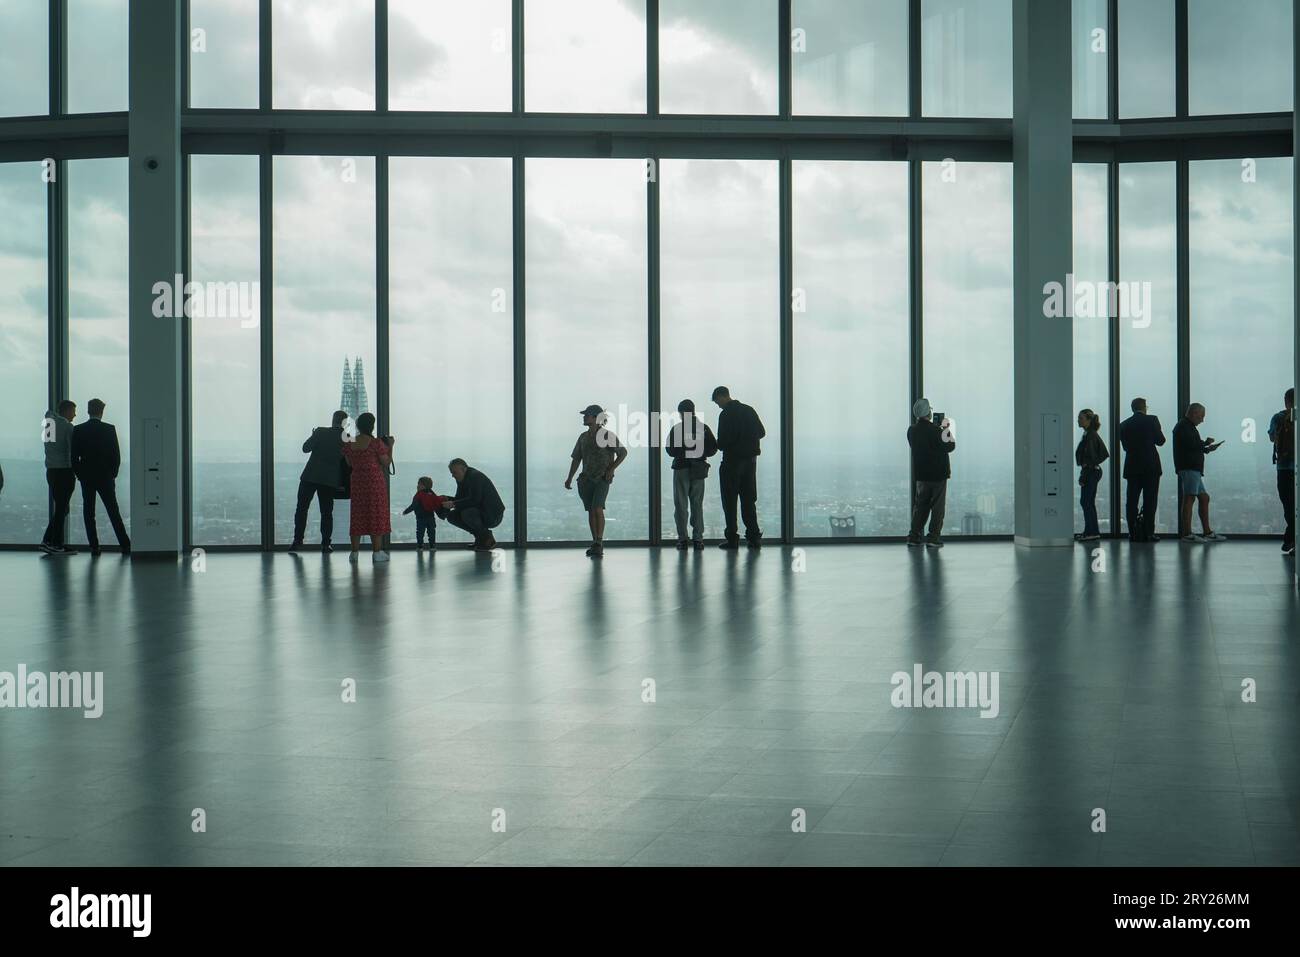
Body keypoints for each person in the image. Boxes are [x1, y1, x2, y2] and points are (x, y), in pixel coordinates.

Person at [565, 404, 628, 559]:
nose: (584, 417)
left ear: (596, 418)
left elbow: (622, 452)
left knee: (597, 508)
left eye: (587, 415)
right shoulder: (583, 437)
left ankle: (599, 542)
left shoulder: (607, 435)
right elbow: (576, 459)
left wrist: (611, 469)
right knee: (591, 510)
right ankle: (595, 542)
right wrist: (570, 477)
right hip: (586, 479)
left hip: (602, 478)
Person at [72, 398, 130, 557]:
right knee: (113, 511)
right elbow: (116, 456)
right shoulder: (109, 429)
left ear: (88, 410)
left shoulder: (78, 430)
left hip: (87, 477)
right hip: (105, 477)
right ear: (102, 411)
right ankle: (125, 545)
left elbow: (74, 457)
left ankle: (94, 547)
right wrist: (113, 474)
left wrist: (80, 474)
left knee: (89, 512)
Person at [711, 386, 765, 550]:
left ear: (721, 397)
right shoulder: (749, 410)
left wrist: (724, 443)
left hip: (731, 462)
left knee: (730, 501)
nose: (718, 406)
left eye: (717, 402)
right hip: (750, 462)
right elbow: (762, 432)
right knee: (749, 500)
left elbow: (722, 443)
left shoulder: (726, 414)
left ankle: (733, 539)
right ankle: (753, 537)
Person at [290, 410, 347, 555]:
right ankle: (326, 544)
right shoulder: (347, 438)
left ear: (333, 419)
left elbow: (305, 448)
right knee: (326, 512)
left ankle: (297, 541)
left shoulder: (320, 432)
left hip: (310, 476)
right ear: (344, 423)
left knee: (302, 509)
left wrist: (313, 434)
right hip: (329, 480)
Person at [664, 398, 718, 551]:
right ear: (693, 410)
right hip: (699, 469)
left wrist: (683, 453)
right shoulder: (703, 428)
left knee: (680, 505)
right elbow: (713, 448)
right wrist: (699, 453)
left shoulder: (677, 429)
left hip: (681, 468)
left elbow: (670, 450)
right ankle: (698, 539)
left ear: (681, 413)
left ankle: (682, 539)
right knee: (697, 504)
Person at [341, 412, 393, 563]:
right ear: (372, 426)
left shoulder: (349, 444)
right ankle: (377, 552)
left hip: (357, 482)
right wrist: (391, 447)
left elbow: (349, 463)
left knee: (358, 514)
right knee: (375, 514)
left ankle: (354, 553)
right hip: (374, 482)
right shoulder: (376, 443)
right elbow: (386, 462)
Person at [1172, 403, 1225, 543]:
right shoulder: (1184, 426)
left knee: (1204, 498)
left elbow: (1192, 445)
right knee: (1190, 498)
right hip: (1189, 467)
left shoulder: (1186, 426)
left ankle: (1206, 532)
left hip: (1192, 468)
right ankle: (1187, 533)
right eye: (1201, 416)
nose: (1202, 420)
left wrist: (1207, 448)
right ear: (1194, 413)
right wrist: (1206, 443)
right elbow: (1191, 445)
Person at [907, 398, 956, 549]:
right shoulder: (936, 431)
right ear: (929, 412)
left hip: (921, 475)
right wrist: (946, 429)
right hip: (938, 475)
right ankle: (933, 538)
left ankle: (914, 536)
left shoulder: (912, 431)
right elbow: (951, 446)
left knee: (920, 506)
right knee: (937, 508)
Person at [1118, 397, 1166, 543]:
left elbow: (1125, 447)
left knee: (1131, 501)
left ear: (1133, 408)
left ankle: (1132, 533)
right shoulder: (1152, 420)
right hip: (1151, 467)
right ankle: (1148, 533)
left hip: (1132, 467)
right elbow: (1161, 441)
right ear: (1144, 407)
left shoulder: (1123, 425)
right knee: (1150, 500)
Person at [439, 458, 505, 551]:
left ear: (463, 469)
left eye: (454, 472)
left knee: (467, 513)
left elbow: (474, 500)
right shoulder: (463, 478)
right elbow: (460, 500)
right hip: (482, 511)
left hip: (493, 515)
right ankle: (481, 539)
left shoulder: (476, 477)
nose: (453, 476)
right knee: (451, 516)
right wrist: (446, 499)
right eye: (452, 473)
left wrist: (453, 503)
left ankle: (487, 539)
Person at [40, 399, 78, 555]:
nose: (75, 415)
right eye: (73, 411)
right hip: (64, 471)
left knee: (62, 507)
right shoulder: (68, 427)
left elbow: (49, 447)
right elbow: (72, 450)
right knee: (63, 507)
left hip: (51, 470)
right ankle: (55, 543)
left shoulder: (48, 424)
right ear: (67, 411)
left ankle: (49, 541)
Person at [1075, 409, 1109, 543]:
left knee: (1086, 502)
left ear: (1088, 420)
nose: (1078, 420)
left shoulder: (1090, 435)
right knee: (1088, 502)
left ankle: (1092, 532)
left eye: (1081, 418)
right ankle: (1091, 531)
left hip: (1091, 472)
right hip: (1093, 471)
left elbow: (1090, 458)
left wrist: (1084, 475)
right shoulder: (1090, 434)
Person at [1268, 388, 1295, 555]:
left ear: (1286, 401)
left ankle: (1290, 538)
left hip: (1284, 467)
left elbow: (1272, 437)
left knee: (1289, 506)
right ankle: (1291, 539)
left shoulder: (1278, 417)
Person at [402, 476, 447, 550]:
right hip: (431, 517)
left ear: (423, 485)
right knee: (431, 532)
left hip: (421, 518)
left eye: (419, 484)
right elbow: (436, 502)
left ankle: (420, 546)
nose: (417, 486)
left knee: (420, 532)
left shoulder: (419, 494)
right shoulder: (432, 493)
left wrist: (406, 511)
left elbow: (414, 505)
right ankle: (432, 546)